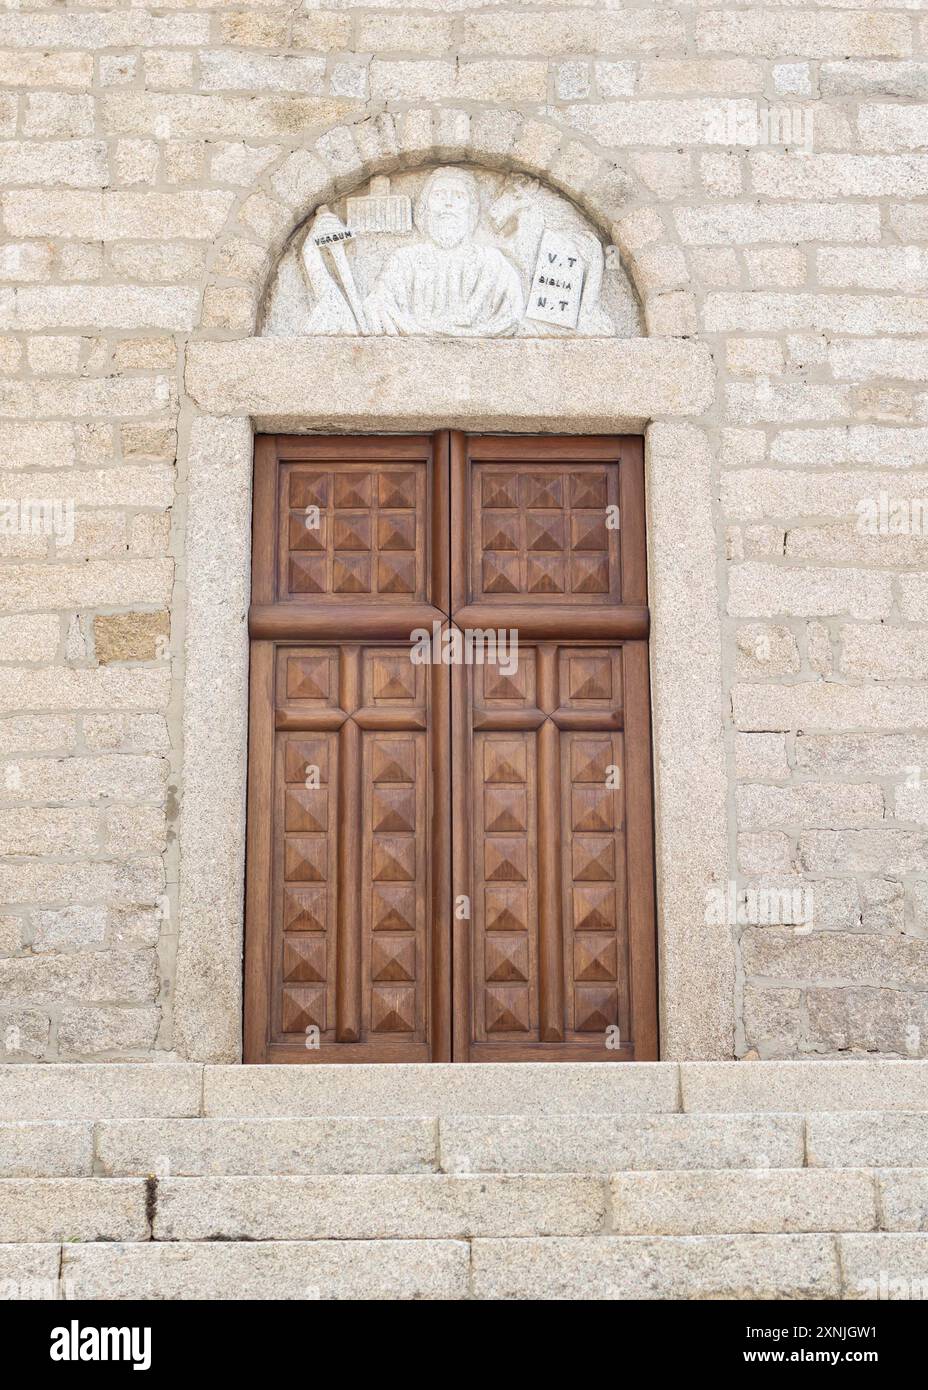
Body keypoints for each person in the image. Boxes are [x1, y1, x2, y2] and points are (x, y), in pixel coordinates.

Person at [362, 167, 524, 337]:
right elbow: (378, 301)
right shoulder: (404, 260)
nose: (448, 203)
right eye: (438, 195)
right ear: (424, 208)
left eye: (458, 196)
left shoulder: (492, 262)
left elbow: (513, 316)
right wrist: (375, 304)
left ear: (472, 209)